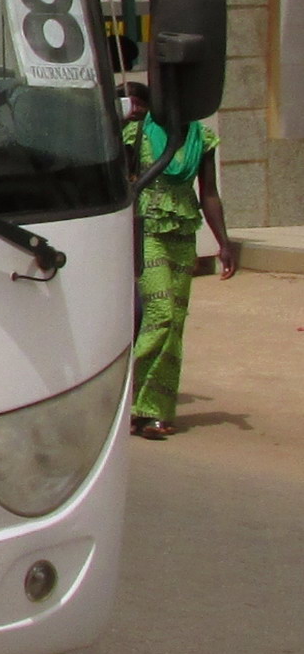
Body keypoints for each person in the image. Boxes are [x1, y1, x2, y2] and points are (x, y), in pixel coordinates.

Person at [120, 81, 236, 441]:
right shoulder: (137, 133)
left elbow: (209, 194)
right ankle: (128, 404)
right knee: (161, 314)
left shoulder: (202, 138)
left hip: (183, 234)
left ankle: (155, 411)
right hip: (146, 231)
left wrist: (224, 243)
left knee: (175, 324)